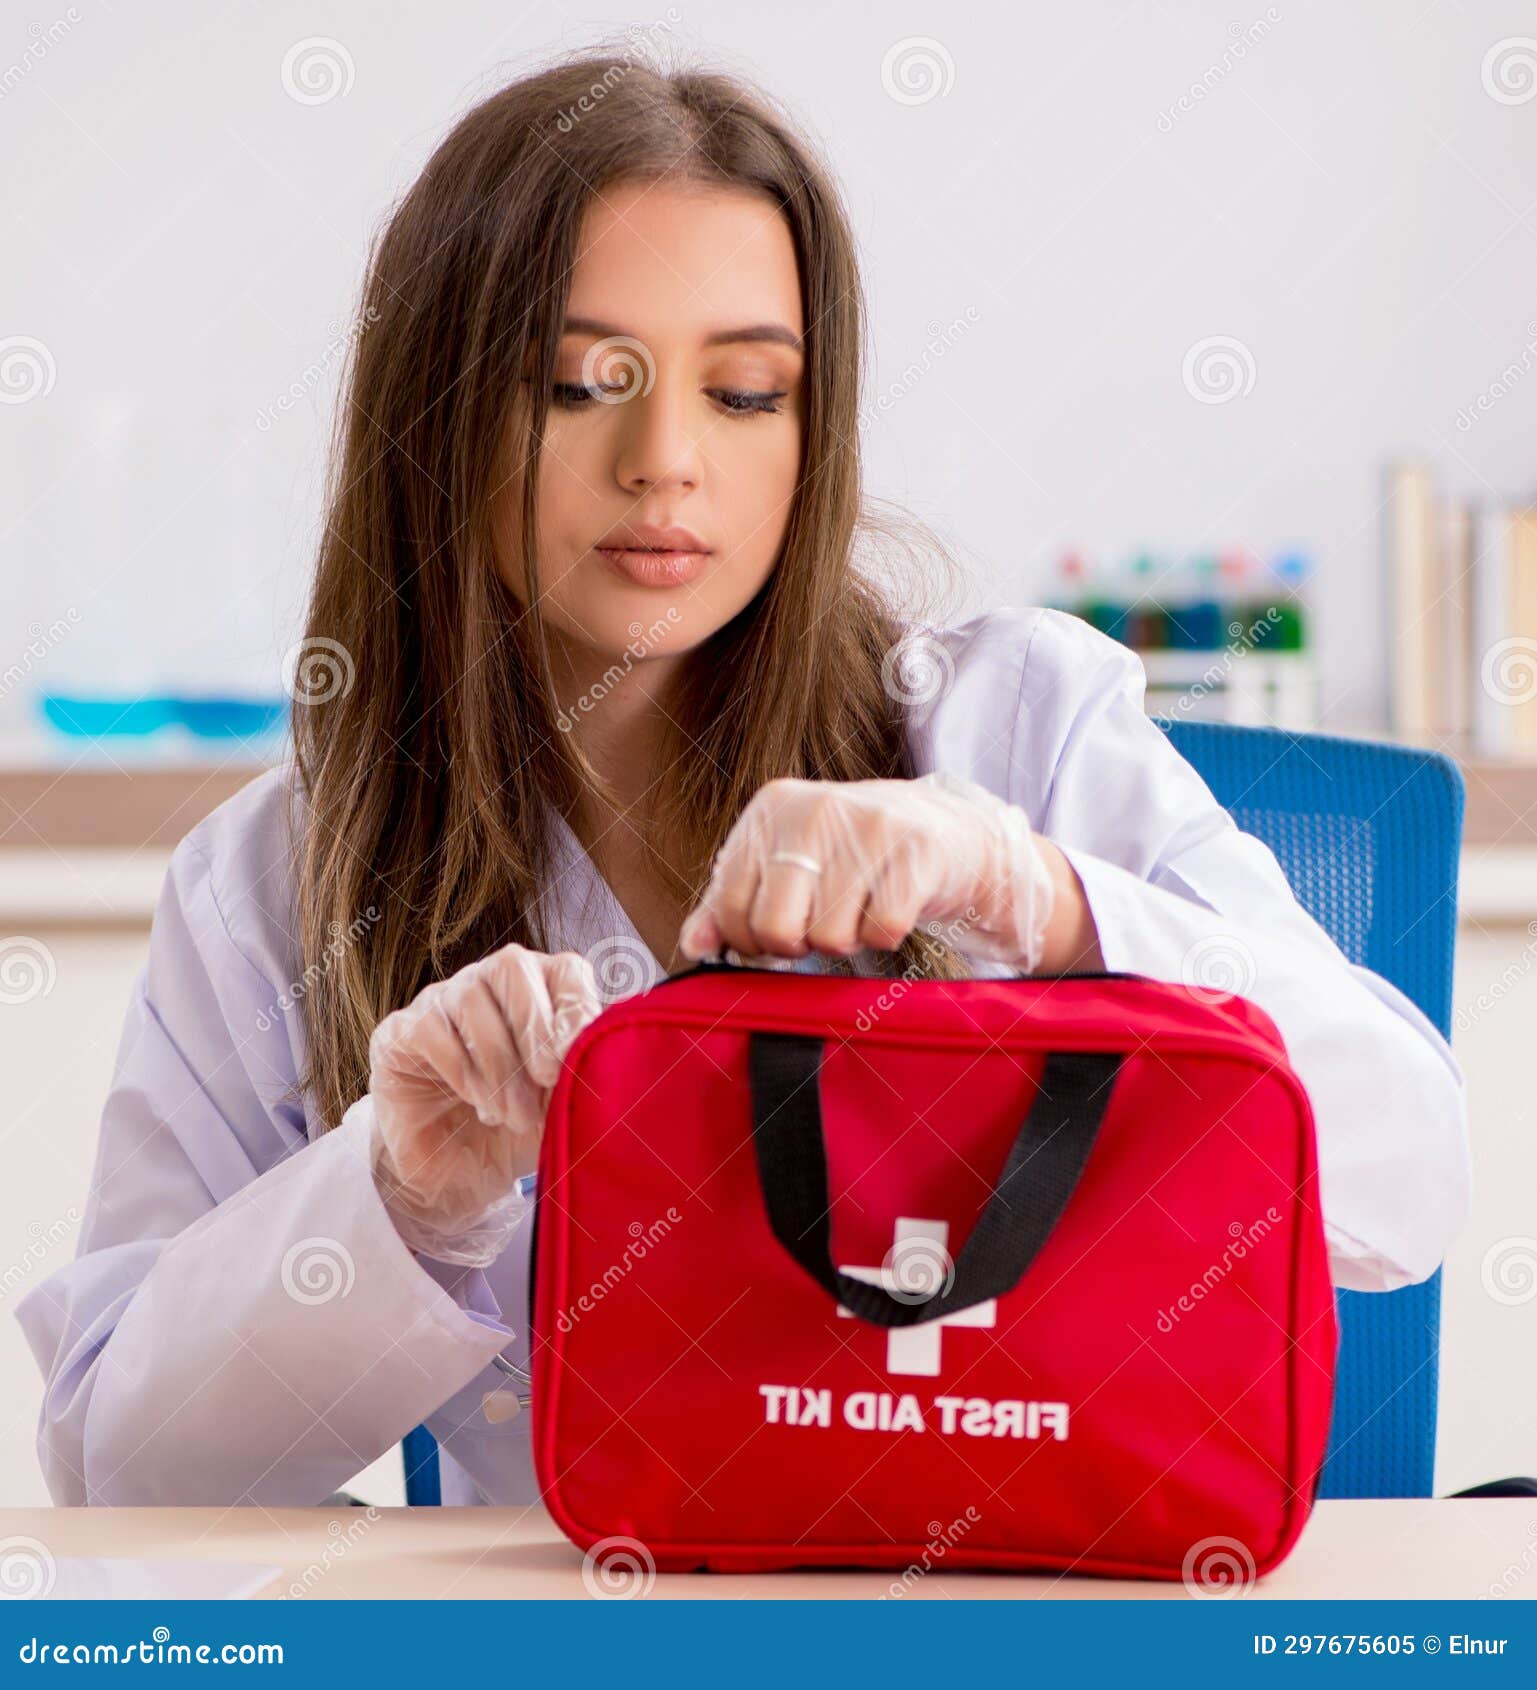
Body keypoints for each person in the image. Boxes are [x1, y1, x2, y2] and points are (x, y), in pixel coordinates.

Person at [17, 54, 1469, 1507]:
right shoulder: (280, 877)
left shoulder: (1009, 729)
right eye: (581, 384)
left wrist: (1044, 901)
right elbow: (121, 1476)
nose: (665, 462)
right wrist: (392, 1192)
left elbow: (1409, 1182)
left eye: (743, 391)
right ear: (442, 411)